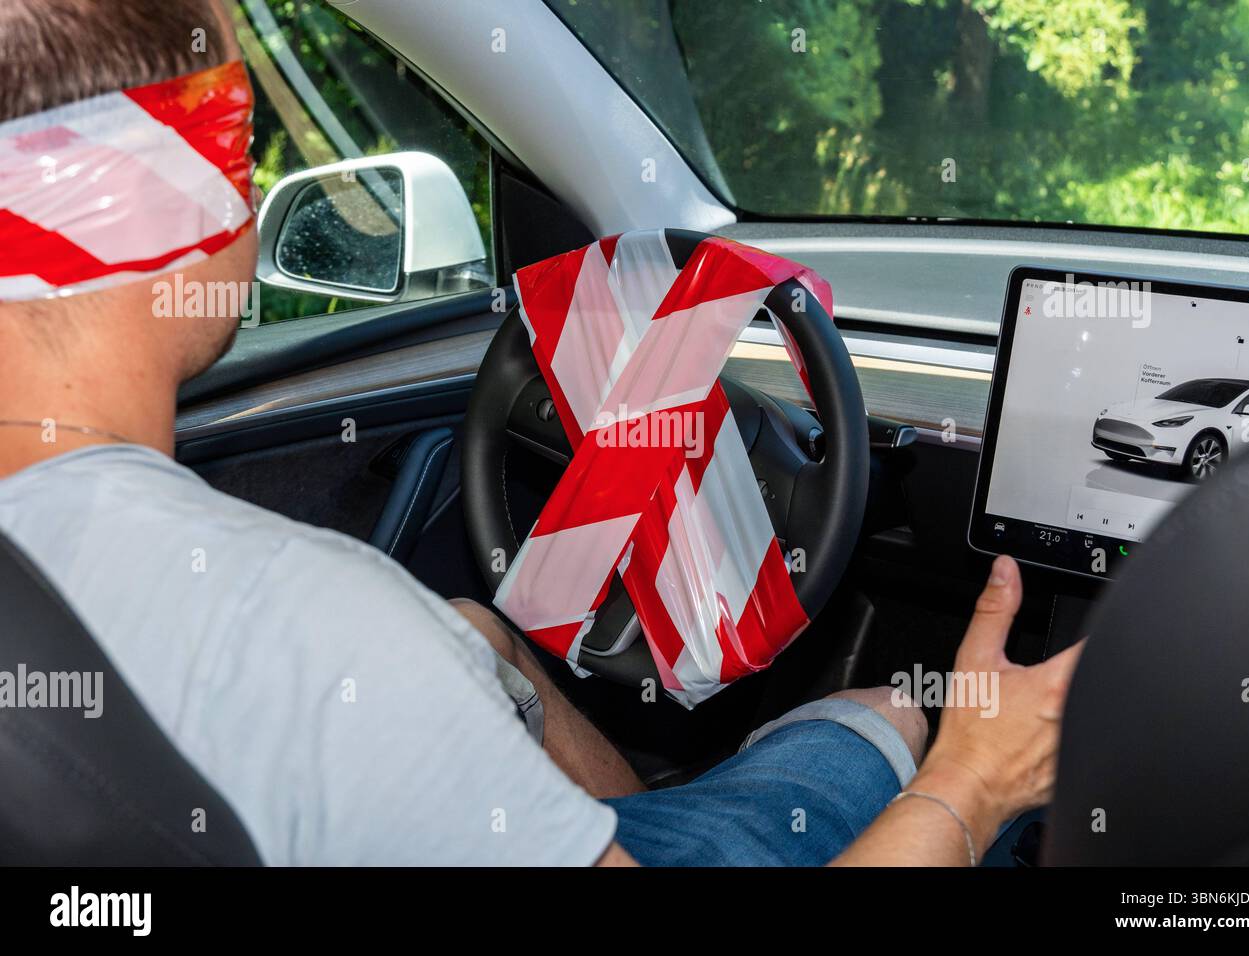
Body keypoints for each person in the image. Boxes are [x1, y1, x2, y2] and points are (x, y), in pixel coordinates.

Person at [0, 0, 1081, 866]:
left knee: (478, 632)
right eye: (238, 134)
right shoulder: (320, 639)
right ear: (170, 202)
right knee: (901, 711)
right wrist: (973, 785)